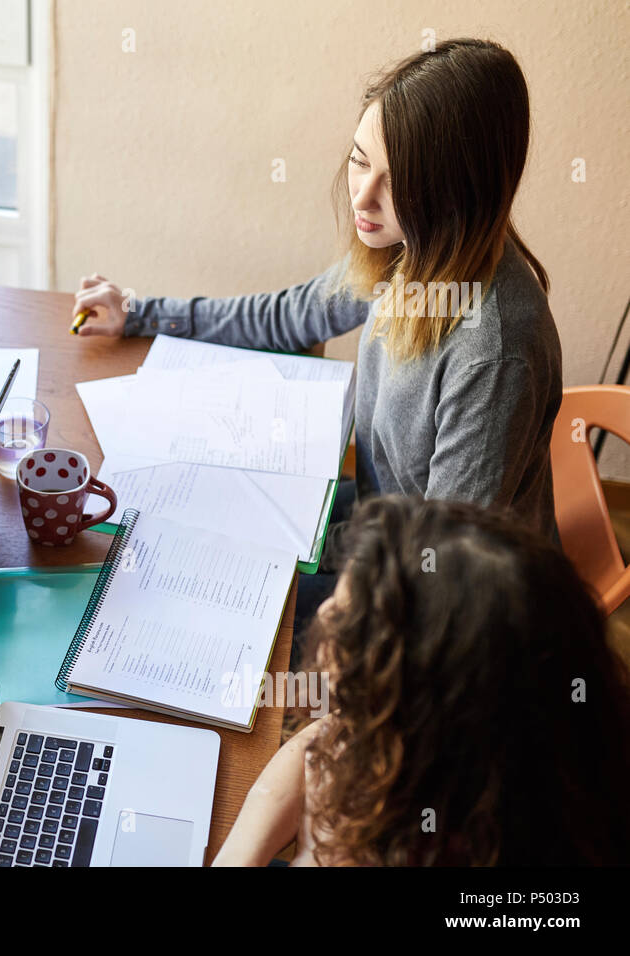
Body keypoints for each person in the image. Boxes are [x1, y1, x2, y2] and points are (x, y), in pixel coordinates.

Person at [71, 39, 562, 639]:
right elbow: (292, 315)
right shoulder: (411, 249)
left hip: (446, 610)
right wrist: (143, 312)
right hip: (378, 529)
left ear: (459, 190)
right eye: (360, 161)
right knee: (158, 547)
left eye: (397, 180)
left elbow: (438, 571)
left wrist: (334, 609)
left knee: (187, 612)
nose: (362, 197)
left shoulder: (495, 352)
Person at [213, 496, 630, 866]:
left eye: (345, 620)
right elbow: (327, 733)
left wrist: (315, 855)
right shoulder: (440, 753)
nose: (322, 616)